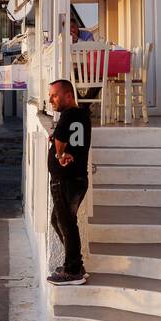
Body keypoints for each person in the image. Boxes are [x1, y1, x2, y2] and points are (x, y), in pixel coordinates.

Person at [47, 79, 92, 286]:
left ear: (68, 96)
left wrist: (58, 155)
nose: (50, 100)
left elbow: (60, 146)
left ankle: (73, 270)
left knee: (66, 223)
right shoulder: (81, 114)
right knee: (59, 221)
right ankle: (75, 263)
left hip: (65, 180)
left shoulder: (67, 116)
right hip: (77, 178)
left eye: (54, 95)